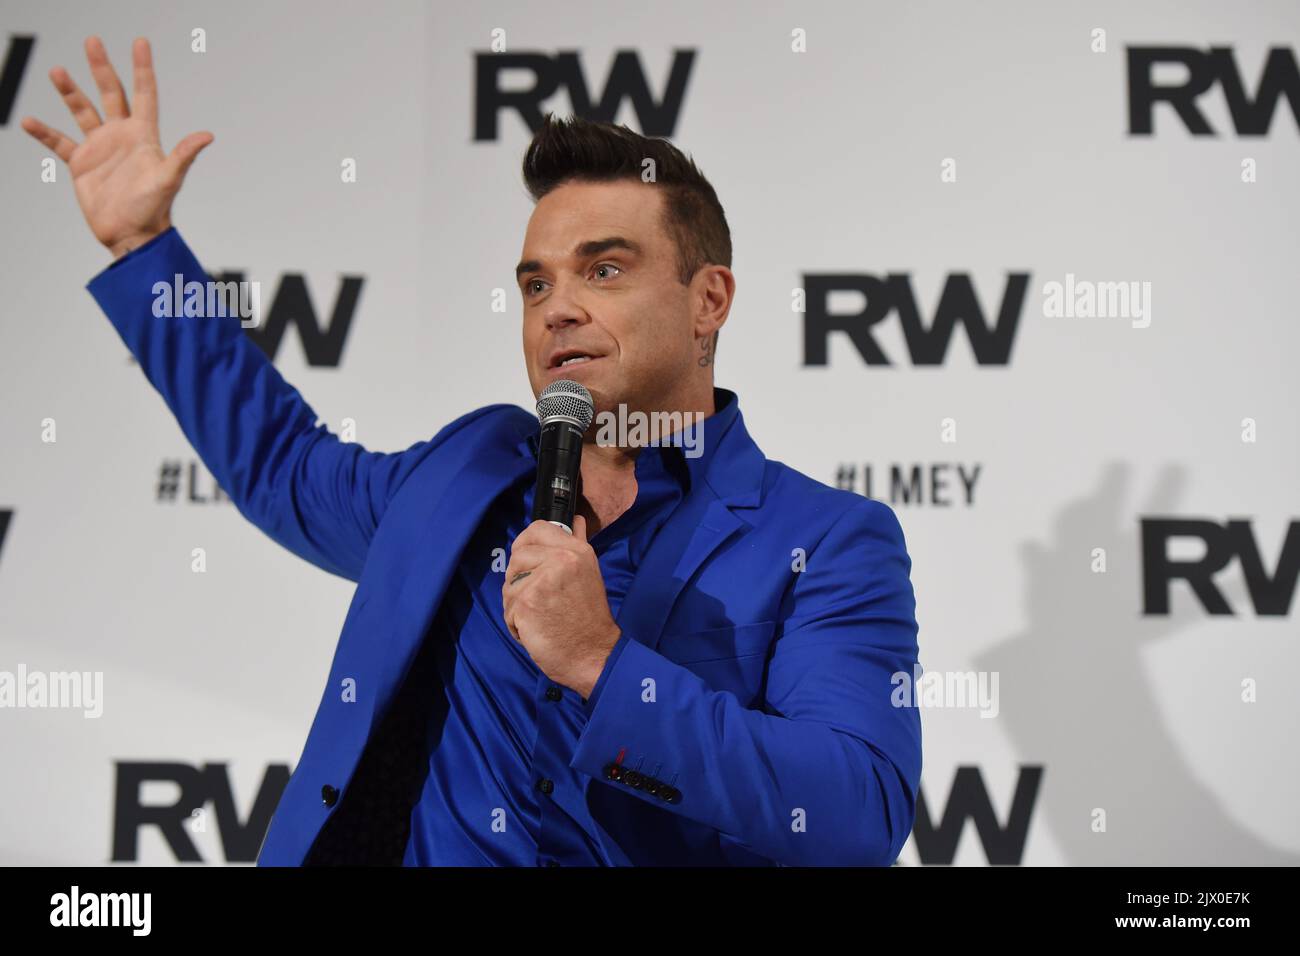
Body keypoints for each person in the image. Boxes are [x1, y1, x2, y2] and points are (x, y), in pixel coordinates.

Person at [23, 36, 923, 866]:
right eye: (537, 283)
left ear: (709, 300)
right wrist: (146, 250)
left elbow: (856, 810)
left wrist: (604, 666)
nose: (558, 307)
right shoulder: (467, 472)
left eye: (604, 270)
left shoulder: (828, 539)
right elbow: (283, 467)